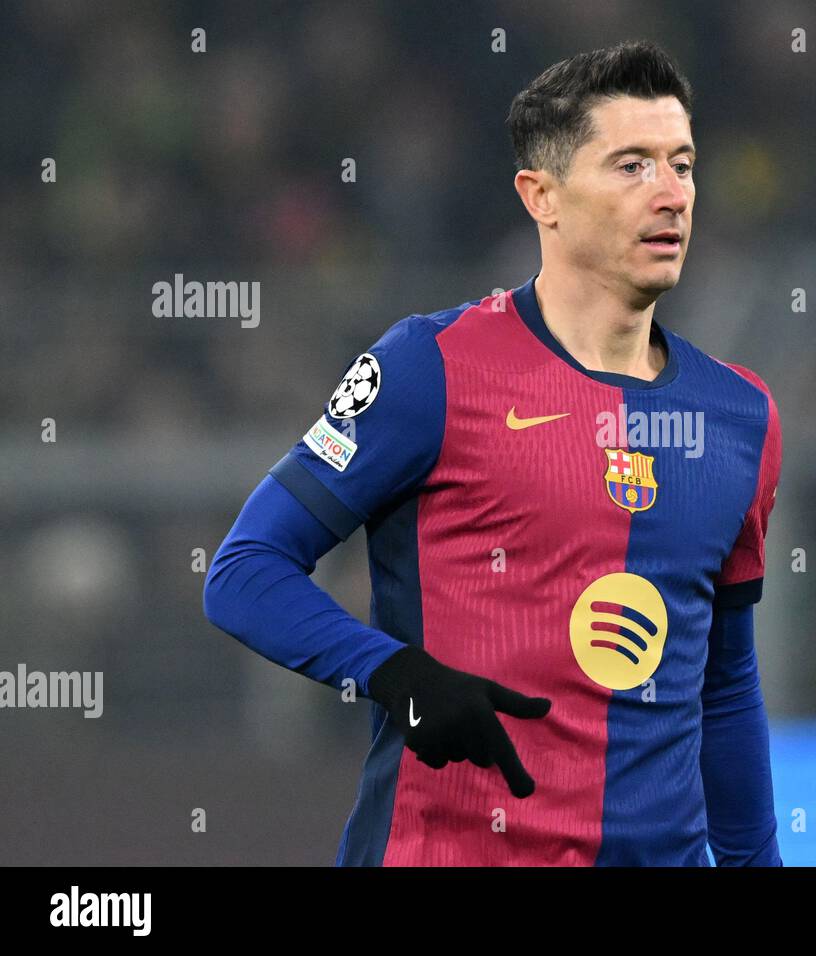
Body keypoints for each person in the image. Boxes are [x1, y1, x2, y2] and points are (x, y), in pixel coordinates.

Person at [204, 39, 783, 866]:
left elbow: (724, 688)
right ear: (541, 196)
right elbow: (244, 572)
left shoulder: (741, 417)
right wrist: (396, 673)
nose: (671, 195)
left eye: (682, 165)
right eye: (631, 166)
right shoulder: (427, 368)